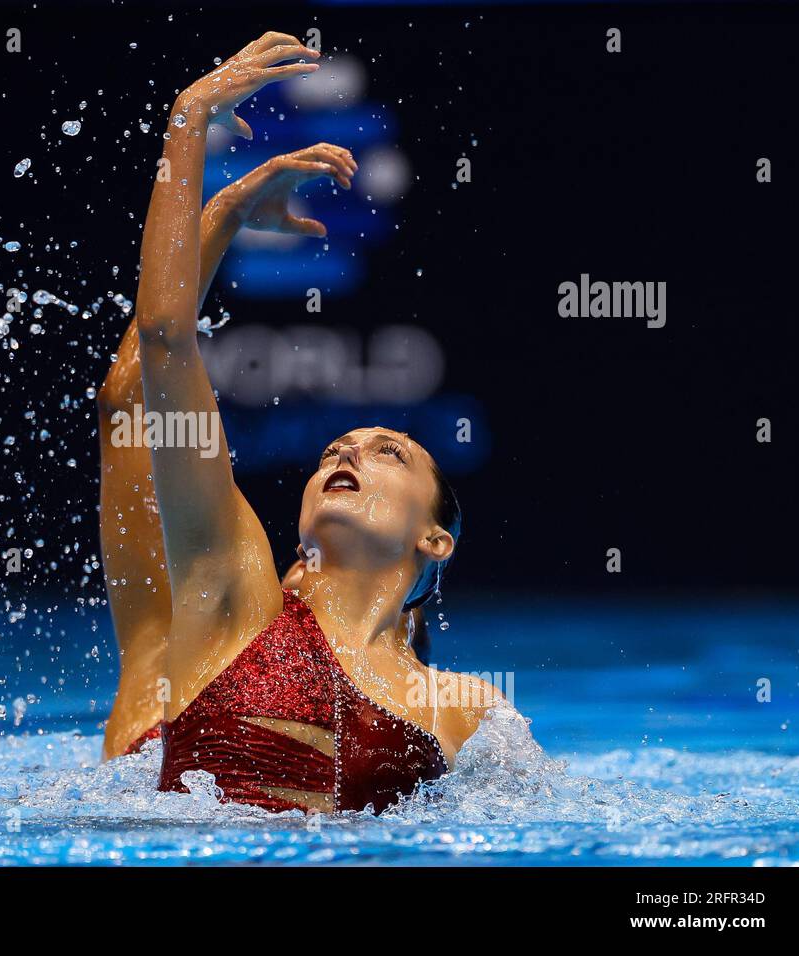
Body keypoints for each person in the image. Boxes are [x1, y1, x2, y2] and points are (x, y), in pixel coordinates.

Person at [99, 33, 509, 813]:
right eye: (334, 449)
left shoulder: (469, 708)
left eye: (389, 451)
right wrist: (193, 126)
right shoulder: (230, 597)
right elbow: (156, 351)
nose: (347, 452)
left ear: (436, 539)